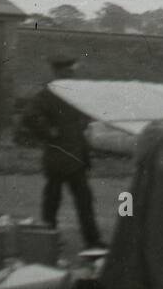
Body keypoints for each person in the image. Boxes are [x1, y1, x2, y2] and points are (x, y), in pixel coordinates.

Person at [18, 55, 104, 249]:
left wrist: (82, 124)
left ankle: (92, 242)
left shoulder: (75, 94)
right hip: (58, 157)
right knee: (52, 202)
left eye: (71, 71)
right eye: (67, 71)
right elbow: (29, 116)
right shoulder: (47, 95)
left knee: (84, 202)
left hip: (76, 157)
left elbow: (85, 115)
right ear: (57, 72)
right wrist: (48, 131)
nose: (71, 74)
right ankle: (48, 241)